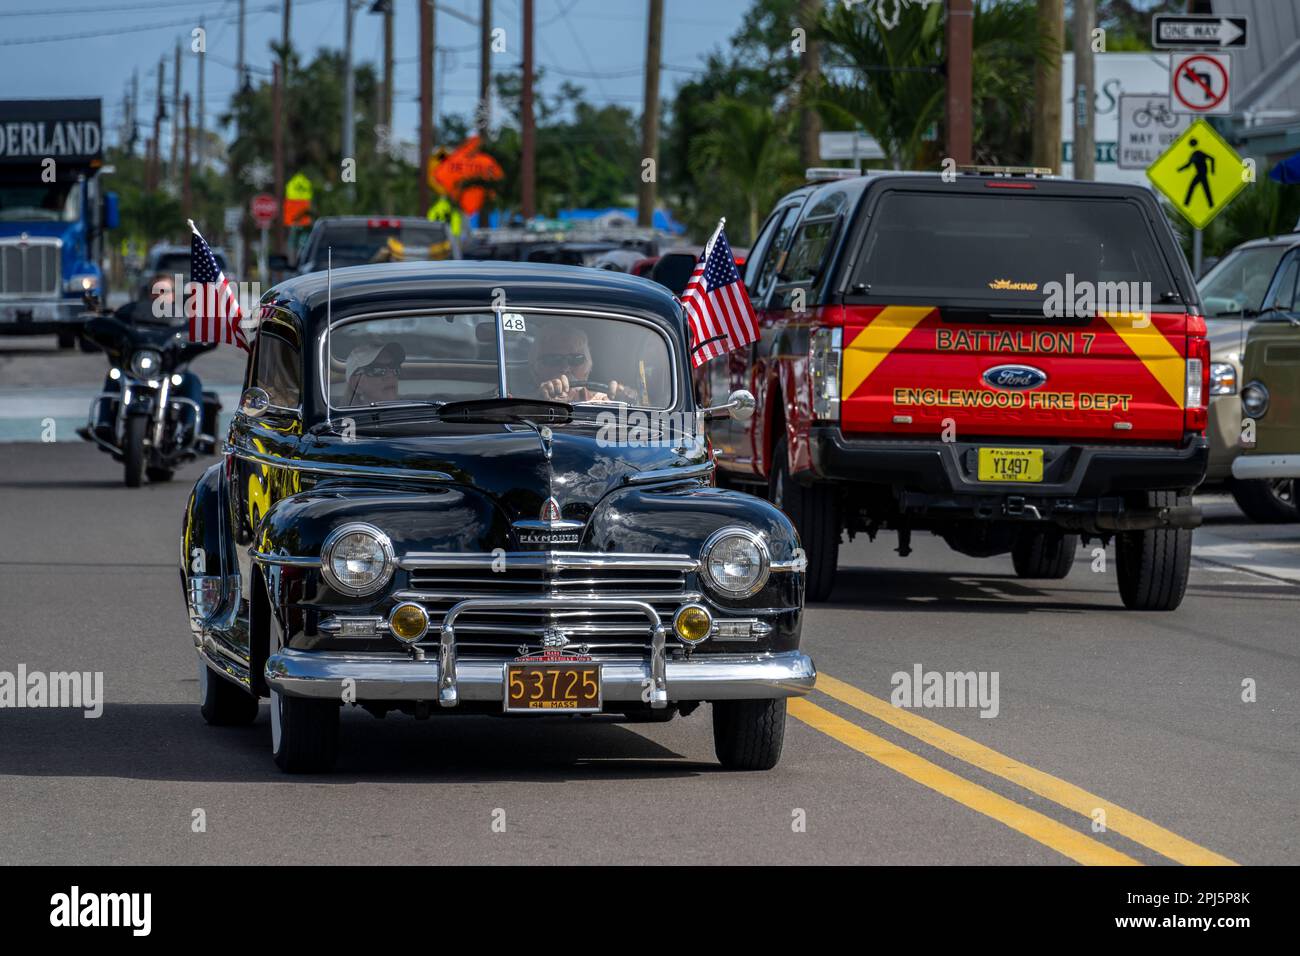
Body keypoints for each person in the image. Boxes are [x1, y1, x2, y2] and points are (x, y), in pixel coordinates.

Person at [526, 323, 636, 404]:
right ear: (534, 369)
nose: (565, 368)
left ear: (589, 367)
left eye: (576, 359)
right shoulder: (517, 406)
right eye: (553, 359)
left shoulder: (605, 402)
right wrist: (538, 404)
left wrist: (628, 403)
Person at [342, 341, 406, 406]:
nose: (390, 375)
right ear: (356, 384)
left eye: (394, 366)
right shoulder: (347, 416)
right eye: (377, 370)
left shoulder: (412, 408)